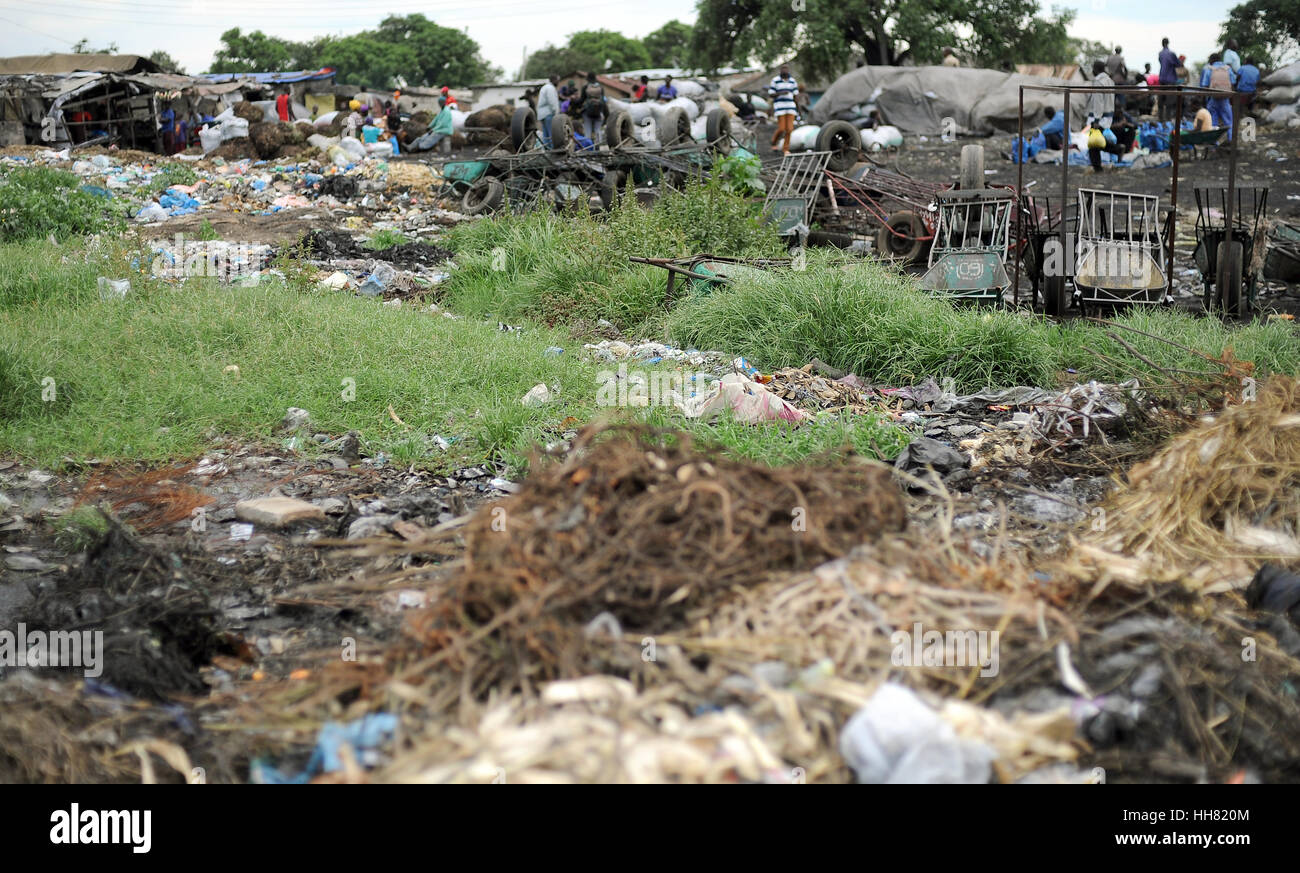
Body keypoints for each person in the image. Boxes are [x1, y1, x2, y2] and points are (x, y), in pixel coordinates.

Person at [768, 63, 800, 155]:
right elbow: (771, 94)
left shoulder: (792, 81)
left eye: (786, 69)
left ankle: (785, 149)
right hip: (780, 107)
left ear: (788, 70)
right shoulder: (775, 80)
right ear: (780, 70)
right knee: (782, 128)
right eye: (783, 69)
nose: (785, 71)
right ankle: (774, 141)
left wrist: (799, 110)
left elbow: (795, 96)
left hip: (791, 107)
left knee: (789, 129)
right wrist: (781, 93)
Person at [1201, 52, 1236, 134]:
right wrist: (1231, 97)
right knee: (1228, 121)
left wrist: (1204, 100)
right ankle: (1230, 139)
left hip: (1213, 99)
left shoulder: (1209, 69)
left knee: (1213, 121)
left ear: (1212, 60)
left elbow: (1205, 86)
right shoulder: (1228, 69)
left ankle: (1214, 142)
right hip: (1225, 99)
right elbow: (1233, 83)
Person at [578, 71, 605, 142]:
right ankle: (598, 147)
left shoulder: (585, 87)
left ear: (588, 79)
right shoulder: (600, 88)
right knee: (597, 131)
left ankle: (589, 148)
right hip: (598, 112)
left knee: (587, 131)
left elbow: (581, 100)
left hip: (587, 112)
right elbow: (603, 101)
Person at [1087, 60, 1115, 127]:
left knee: (1093, 137)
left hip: (1099, 119)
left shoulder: (1099, 82)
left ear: (1095, 69)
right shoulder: (1110, 81)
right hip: (1108, 118)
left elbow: (1098, 102)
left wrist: (1096, 120)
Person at [1157, 38, 1179, 121]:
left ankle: (1160, 119)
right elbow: (1177, 64)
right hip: (1170, 79)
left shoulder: (1160, 53)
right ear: (1168, 43)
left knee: (1161, 100)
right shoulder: (1171, 54)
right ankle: (1167, 120)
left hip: (1162, 78)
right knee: (1169, 101)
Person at [537, 74, 559, 148]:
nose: (558, 82)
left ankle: (547, 151)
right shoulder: (550, 88)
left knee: (546, 135)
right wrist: (556, 113)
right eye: (557, 80)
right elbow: (552, 101)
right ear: (554, 80)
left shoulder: (545, 87)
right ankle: (552, 151)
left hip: (542, 114)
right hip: (548, 114)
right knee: (551, 134)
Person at [1106, 47, 1128, 111]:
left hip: (1111, 80)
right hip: (1119, 80)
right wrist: (1125, 77)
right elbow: (1124, 68)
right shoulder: (1121, 58)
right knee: (1121, 97)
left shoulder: (1109, 58)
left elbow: (1105, 67)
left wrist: (1109, 75)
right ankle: (1122, 113)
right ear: (1120, 51)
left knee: (1112, 98)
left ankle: (1112, 112)